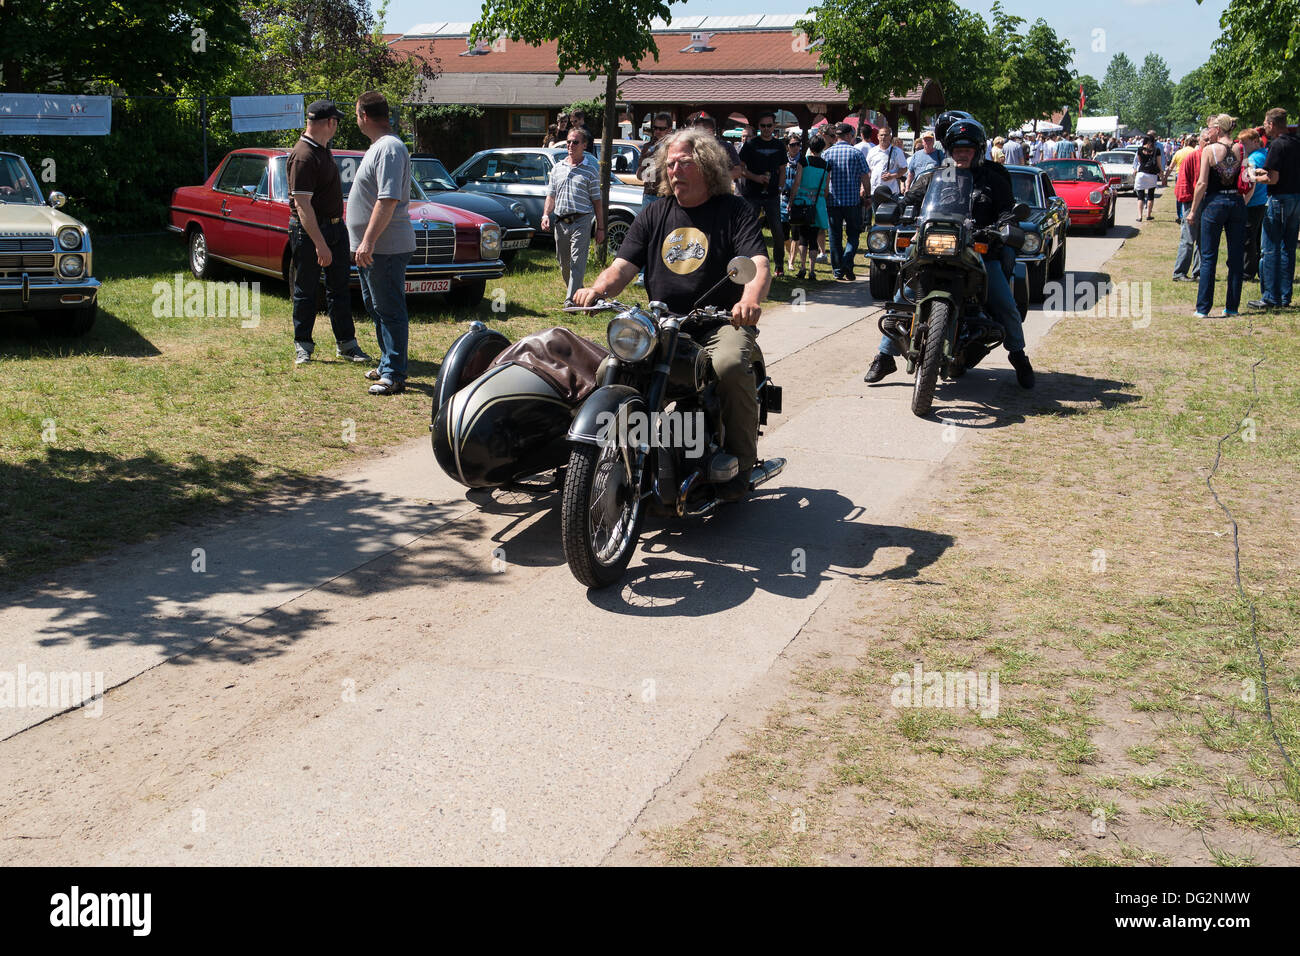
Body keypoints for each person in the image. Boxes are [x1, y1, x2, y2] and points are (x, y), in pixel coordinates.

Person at [572, 127, 771, 502]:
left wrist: (749, 300)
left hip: (719, 322)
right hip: (662, 323)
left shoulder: (734, 211)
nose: (674, 169)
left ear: (707, 166)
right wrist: (597, 290)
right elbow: (622, 267)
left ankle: (742, 465)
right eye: (670, 163)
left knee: (729, 366)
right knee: (609, 371)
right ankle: (614, 456)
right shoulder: (655, 213)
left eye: (684, 162)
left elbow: (757, 263)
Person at [863, 116, 1035, 389]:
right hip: (934, 244)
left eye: (967, 150)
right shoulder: (935, 175)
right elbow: (910, 199)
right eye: (957, 150)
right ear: (950, 150)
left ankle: (1019, 355)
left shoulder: (994, 177)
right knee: (903, 296)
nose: (961, 155)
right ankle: (884, 356)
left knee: (1005, 304)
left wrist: (1006, 224)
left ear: (978, 151)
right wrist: (895, 207)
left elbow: (1005, 210)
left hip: (978, 249)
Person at [286, 99, 371, 367]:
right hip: (311, 232)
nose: (336, 126)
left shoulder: (322, 150)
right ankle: (303, 346)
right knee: (306, 290)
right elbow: (302, 205)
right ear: (329, 123)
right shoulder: (303, 155)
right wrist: (320, 243)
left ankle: (346, 344)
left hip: (335, 228)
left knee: (339, 289)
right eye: (336, 121)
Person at [346, 92, 415, 396]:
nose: (356, 119)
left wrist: (368, 241)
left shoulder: (389, 148)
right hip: (374, 248)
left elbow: (388, 200)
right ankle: (387, 363)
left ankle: (394, 375)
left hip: (385, 247)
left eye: (356, 114)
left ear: (364, 115)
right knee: (376, 307)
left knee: (389, 310)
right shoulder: (380, 147)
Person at [1188, 114, 1250, 318]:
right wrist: (1243, 202)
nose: (1209, 131)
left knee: (1208, 257)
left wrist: (1193, 210)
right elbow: (1248, 178)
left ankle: (1203, 308)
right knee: (1236, 257)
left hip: (1214, 203)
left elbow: (1202, 183)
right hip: (1236, 202)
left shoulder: (1209, 150)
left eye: (1212, 127)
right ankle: (1232, 307)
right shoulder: (1241, 149)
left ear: (1219, 129)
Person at [541, 126, 605, 307]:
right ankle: (578, 292)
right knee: (564, 263)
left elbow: (597, 202)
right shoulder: (557, 168)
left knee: (577, 261)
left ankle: (570, 301)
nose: (570, 145)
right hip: (560, 221)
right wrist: (545, 215)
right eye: (568, 142)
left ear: (584, 145)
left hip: (581, 220)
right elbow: (551, 195)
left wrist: (600, 228)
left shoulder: (590, 171)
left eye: (575, 142)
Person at [1250, 107, 1300, 309]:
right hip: (1296, 198)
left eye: (1265, 123)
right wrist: (1263, 172)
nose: (1264, 127)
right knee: (1288, 248)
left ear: (1272, 124)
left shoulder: (1277, 145)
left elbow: (1273, 178)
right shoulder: (1296, 142)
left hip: (1279, 199)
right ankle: (1285, 296)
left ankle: (1270, 297)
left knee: (1270, 249)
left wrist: (1254, 177)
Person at [738, 111, 789, 278]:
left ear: (774, 126)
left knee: (778, 232)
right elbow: (740, 168)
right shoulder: (750, 145)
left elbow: (783, 169)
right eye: (763, 126)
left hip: (772, 195)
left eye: (769, 125)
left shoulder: (779, 145)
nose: (766, 129)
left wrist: (780, 187)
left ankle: (779, 266)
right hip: (752, 194)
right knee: (749, 231)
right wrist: (756, 177)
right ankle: (747, 265)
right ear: (759, 127)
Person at [823, 122, 871, 281]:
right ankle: (847, 262)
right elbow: (865, 177)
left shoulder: (827, 154)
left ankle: (838, 269)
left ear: (837, 136)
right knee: (853, 234)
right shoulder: (856, 153)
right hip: (852, 201)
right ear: (849, 135)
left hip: (833, 201)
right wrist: (868, 196)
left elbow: (824, 178)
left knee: (834, 236)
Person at [790, 134, 830, 281]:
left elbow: (797, 183)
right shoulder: (827, 165)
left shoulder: (804, 161)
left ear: (810, 147)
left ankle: (803, 268)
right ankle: (812, 270)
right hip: (818, 203)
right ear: (822, 148)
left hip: (802, 201)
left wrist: (791, 201)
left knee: (802, 236)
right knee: (813, 237)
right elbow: (826, 189)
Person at [1173, 129, 1209, 282]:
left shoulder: (1212, 157)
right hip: (1192, 202)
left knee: (1203, 240)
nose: (1208, 142)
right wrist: (1189, 204)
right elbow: (1183, 181)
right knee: (1188, 239)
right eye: (1205, 139)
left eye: (1210, 140)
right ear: (1199, 141)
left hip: (1208, 202)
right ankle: (1180, 272)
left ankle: (1198, 272)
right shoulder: (1192, 157)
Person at [1240, 128, 1268, 282]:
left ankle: (1247, 271)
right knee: (1258, 239)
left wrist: (1244, 201)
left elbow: (1250, 183)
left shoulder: (1252, 158)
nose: (1242, 146)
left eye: (1245, 143)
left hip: (1253, 202)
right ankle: (1258, 269)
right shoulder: (1265, 153)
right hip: (1263, 201)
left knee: (1248, 238)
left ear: (1255, 141)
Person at [692, 114, 743, 184]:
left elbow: (738, 172)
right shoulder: (692, 146)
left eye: (697, 131)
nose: (694, 134)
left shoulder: (726, 146)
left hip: (720, 188)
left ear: (709, 131)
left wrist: (716, 177)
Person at [865, 125, 908, 206]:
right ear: (878, 137)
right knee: (875, 214)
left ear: (890, 137)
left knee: (889, 213)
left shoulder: (897, 151)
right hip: (874, 191)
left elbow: (904, 168)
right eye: (881, 135)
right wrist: (863, 187)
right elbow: (867, 171)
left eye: (886, 135)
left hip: (891, 192)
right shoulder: (872, 151)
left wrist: (893, 176)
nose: (883, 137)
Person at [638, 112, 673, 205]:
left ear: (669, 129)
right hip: (650, 195)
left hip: (668, 195)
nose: (657, 131)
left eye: (661, 129)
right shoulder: (647, 147)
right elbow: (641, 174)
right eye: (655, 128)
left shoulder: (674, 147)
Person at [1133, 134, 1164, 221]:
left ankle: (1140, 216)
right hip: (1152, 174)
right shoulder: (1156, 150)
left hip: (1141, 173)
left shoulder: (1140, 149)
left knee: (1140, 196)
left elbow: (1140, 161)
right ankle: (1148, 215)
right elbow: (1159, 163)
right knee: (1150, 195)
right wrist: (1161, 172)